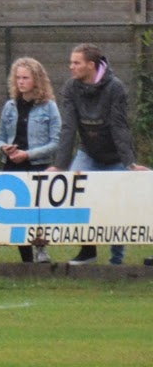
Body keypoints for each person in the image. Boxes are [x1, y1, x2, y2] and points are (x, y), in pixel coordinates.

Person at [48, 43, 147, 265]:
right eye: (70, 62)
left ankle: (116, 258)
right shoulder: (70, 87)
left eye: (76, 63)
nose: (70, 67)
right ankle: (88, 251)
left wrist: (129, 162)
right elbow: (69, 127)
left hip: (115, 156)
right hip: (88, 152)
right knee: (76, 194)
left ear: (91, 65)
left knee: (117, 204)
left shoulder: (115, 88)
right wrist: (60, 165)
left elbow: (119, 127)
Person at [0, 56, 60, 263]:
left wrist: (28, 154)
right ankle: (25, 259)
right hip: (12, 165)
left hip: (37, 165)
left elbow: (56, 142)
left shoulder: (49, 107)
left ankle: (41, 249)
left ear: (37, 80)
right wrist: (4, 148)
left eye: (25, 78)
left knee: (38, 213)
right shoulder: (10, 106)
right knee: (17, 214)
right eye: (18, 78)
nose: (21, 82)